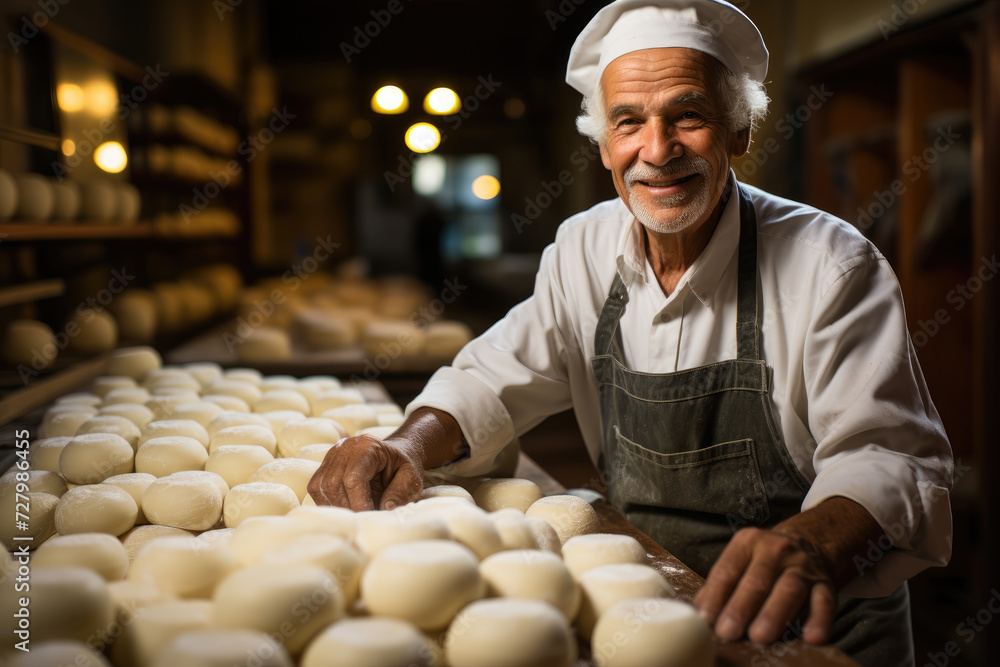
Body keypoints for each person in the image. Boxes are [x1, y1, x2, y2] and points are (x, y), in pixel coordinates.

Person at [308, 2, 953, 664]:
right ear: (603, 145)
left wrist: (816, 542)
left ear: (739, 130)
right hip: (658, 612)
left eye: (689, 116)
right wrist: (409, 446)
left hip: (819, 633)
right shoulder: (582, 250)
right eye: (629, 122)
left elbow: (891, 455)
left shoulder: (830, 262)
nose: (657, 149)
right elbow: (494, 374)